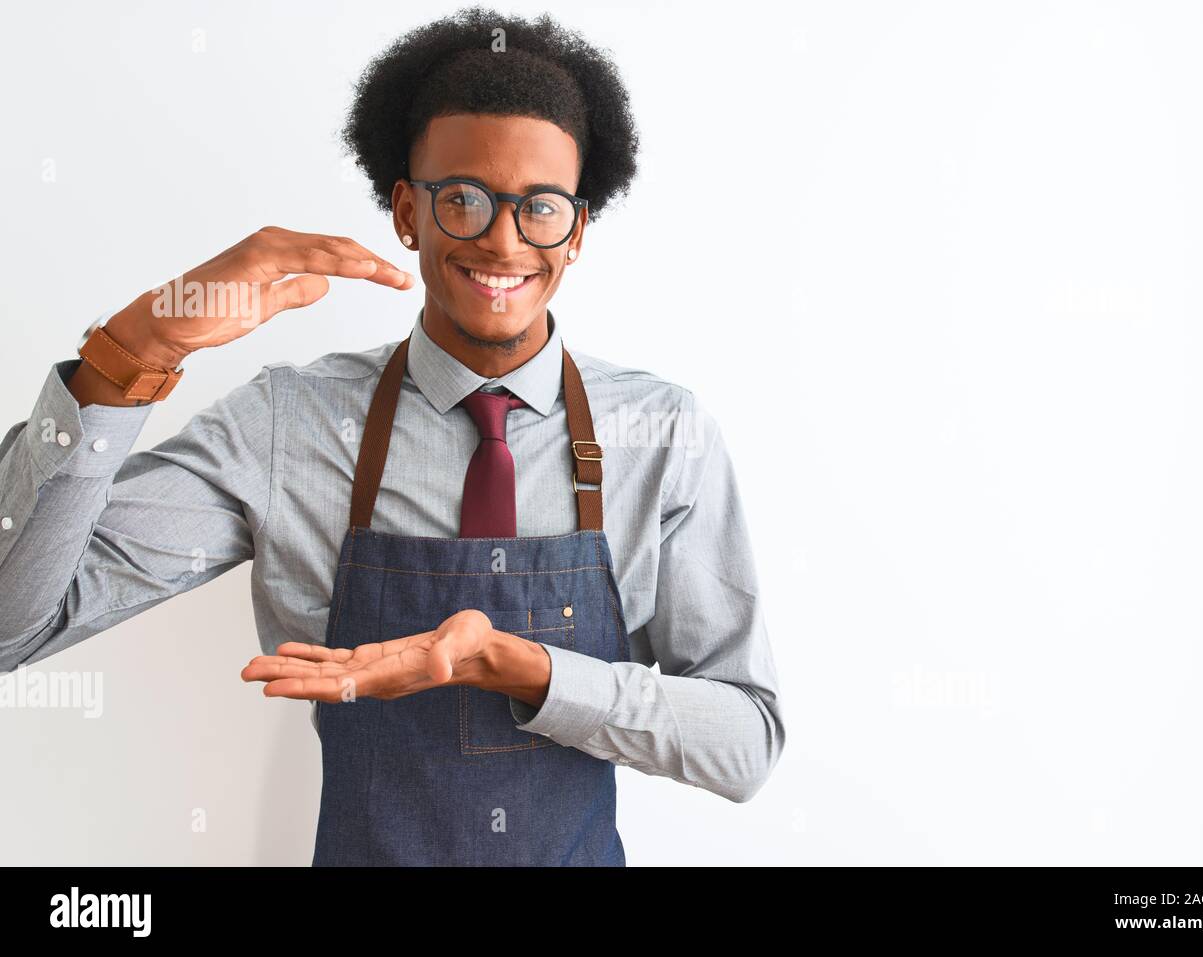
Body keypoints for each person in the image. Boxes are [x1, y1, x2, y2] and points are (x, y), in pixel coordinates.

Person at [0, 5, 784, 866]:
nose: (502, 238)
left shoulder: (662, 436)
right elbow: (13, 625)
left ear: (578, 230)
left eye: (542, 208)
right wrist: (135, 349)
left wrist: (518, 666)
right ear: (407, 211)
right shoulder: (286, 426)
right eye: (464, 200)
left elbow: (746, 740)